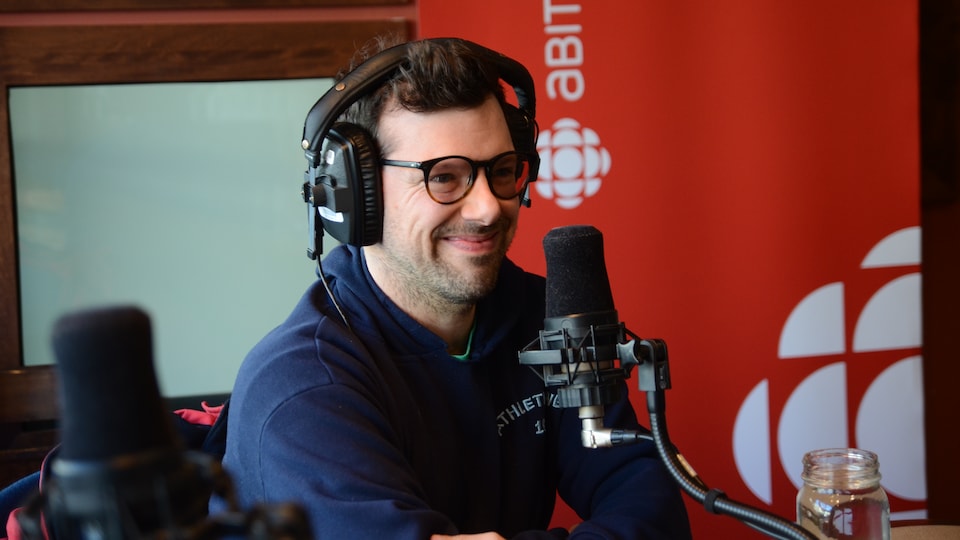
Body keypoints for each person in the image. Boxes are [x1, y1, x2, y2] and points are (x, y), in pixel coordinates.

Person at [217, 36, 692, 539]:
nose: (488, 208)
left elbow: (650, 501)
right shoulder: (303, 388)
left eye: (502, 171)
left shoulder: (542, 318)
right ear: (357, 195)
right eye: (444, 177)